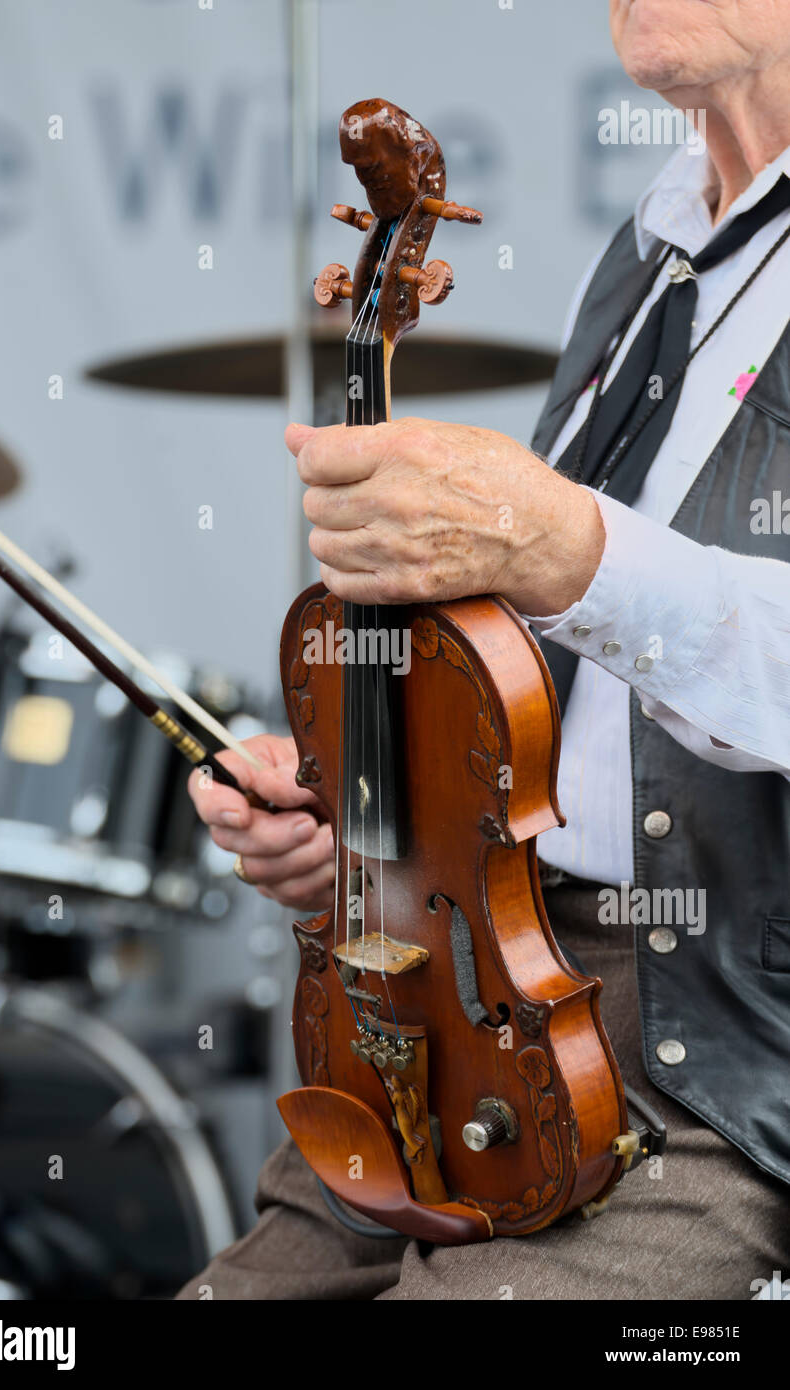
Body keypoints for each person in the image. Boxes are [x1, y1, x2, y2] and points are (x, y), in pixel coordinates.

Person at [179, 0, 790, 1299]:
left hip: (718, 1061)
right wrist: (356, 820)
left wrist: (560, 543)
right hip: (470, 1003)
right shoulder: (652, 246)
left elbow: (591, 579)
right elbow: (559, 699)